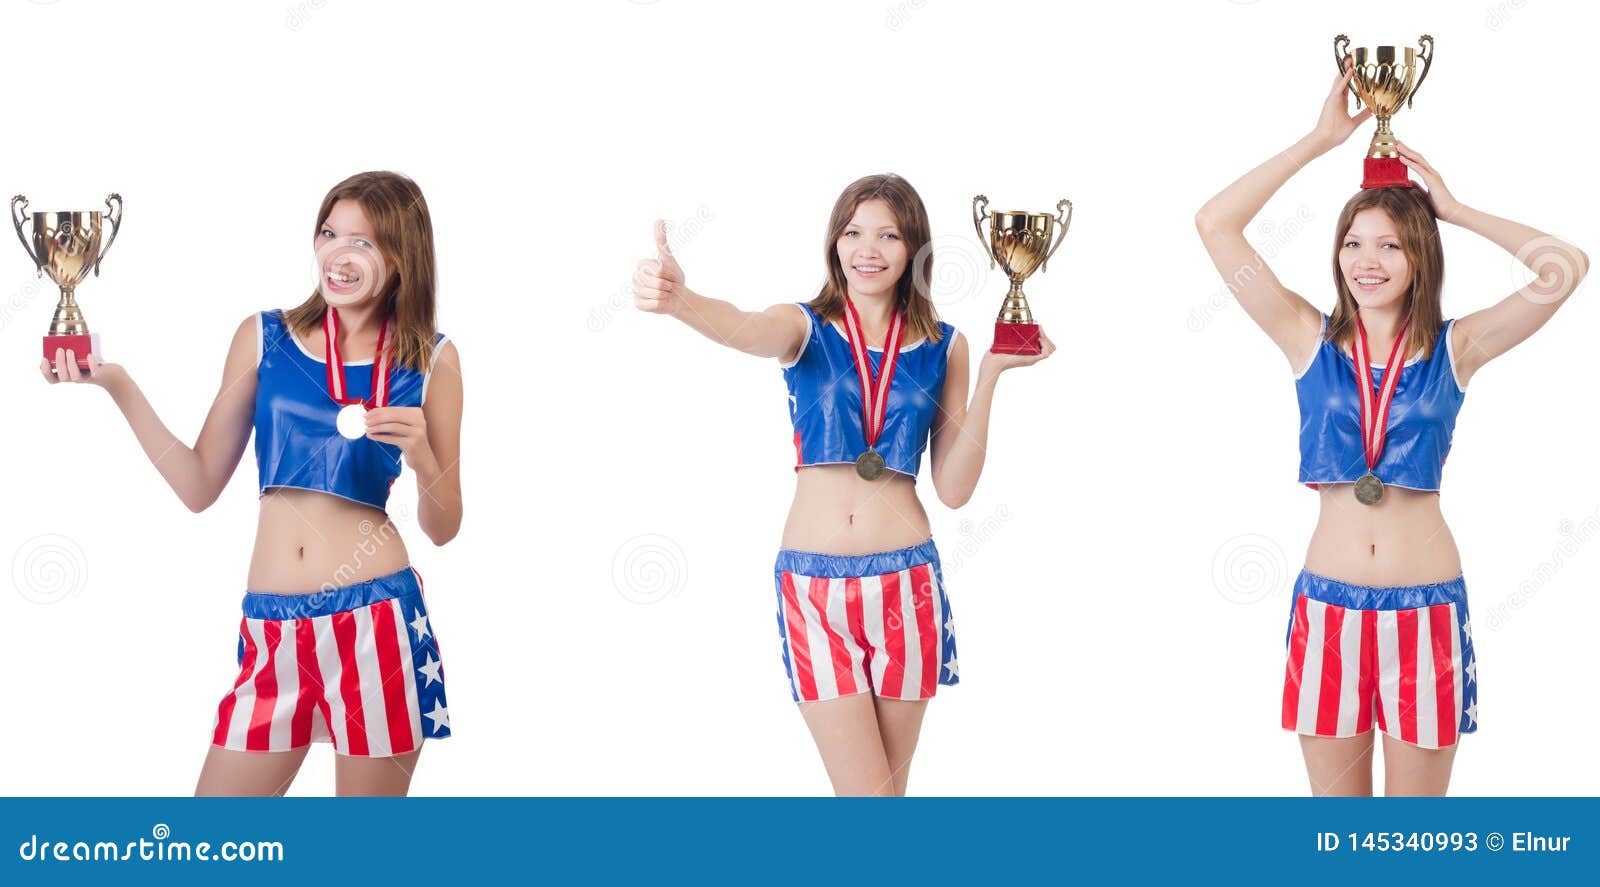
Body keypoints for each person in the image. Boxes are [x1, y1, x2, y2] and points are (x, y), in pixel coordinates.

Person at [1195, 63, 1589, 795]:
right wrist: (1318, 141)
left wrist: (1456, 210)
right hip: (1329, 608)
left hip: (1425, 609)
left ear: (1420, 256)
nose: (1366, 262)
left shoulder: (1457, 347)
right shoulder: (1304, 335)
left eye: (1390, 245)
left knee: (1413, 841)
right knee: (1338, 839)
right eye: (1353, 243)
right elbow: (1215, 224)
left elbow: (1565, 269)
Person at [42, 171, 464, 797]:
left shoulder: (430, 359)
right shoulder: (264, 337)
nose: (338, 254)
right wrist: (118, 385)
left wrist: (426, 460)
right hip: (271, 626)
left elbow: (445, 526)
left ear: (403, 256)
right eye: (329, 233)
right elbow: (198, 485)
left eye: (365, 242)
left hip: (377, 621)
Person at [633, 173, 1053, 795]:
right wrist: (682, 301)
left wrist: (992, 375)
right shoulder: (803, 326)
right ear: (834, 242)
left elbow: (954, 488)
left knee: (885, 803)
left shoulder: (946, 345)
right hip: (813, 588)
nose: (868, 249)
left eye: (889, 235)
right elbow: (744, 327)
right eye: (853, 232)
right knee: (867, 802)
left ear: (914, 249)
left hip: (907, 584)